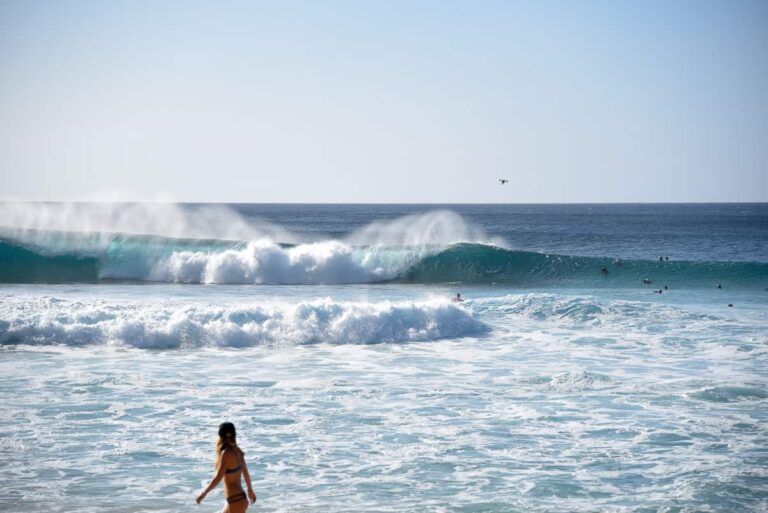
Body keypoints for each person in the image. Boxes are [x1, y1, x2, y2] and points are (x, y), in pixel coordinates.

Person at [196, 422, 256, 512]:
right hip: (238, 499)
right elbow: (246, 474)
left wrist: (203, 494)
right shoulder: (238, 451)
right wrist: (250, 491)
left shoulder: (226, 453)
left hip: (235, 501)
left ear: (220, 436)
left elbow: (218, 477)